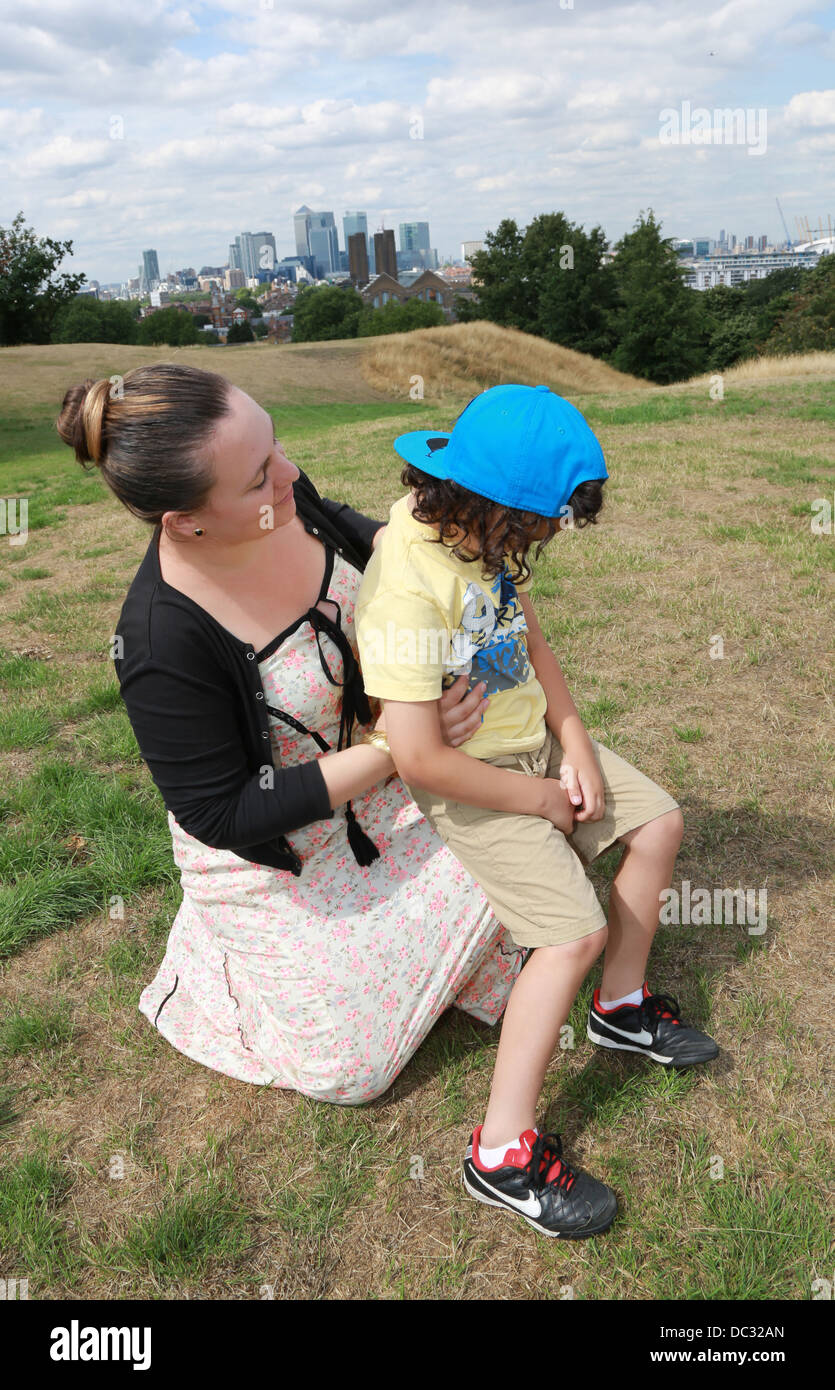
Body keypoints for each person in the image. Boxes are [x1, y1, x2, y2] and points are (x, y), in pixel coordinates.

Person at [54, 363, 532, 1105]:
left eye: (275, 447)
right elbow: (223, 814)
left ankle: (441, 947)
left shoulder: (285, 496)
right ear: (186, 520)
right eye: (256, 477)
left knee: (543, 827)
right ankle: (223, 967)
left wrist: (460, 570)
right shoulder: (161, 641)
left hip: (400, 786)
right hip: (288, 855)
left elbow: (385, 549)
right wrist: (395, 747)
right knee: (350, 1070)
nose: (286, 474)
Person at [355, 383, 719, 1239]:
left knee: (658, 822)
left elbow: (527, 639)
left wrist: (577, 744)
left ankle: (619, 1010)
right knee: (570, 934)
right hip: (471, 779)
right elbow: (418, 757)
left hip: (537, 748)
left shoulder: (476, 538)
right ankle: (501, 1153)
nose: (536, 549)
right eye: (532, 532)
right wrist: (540, 799)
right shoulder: (406, 586)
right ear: (485, 504)